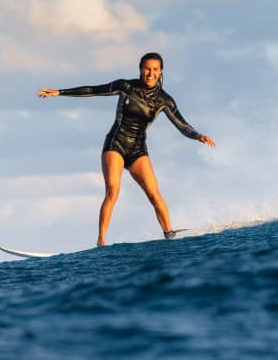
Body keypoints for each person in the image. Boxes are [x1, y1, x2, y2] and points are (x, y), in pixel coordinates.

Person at [37, 52, 216, 246]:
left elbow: (183, 126)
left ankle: (169, 235)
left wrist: (199, 136)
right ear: (140, 69)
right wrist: (60, 92)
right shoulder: (126, 87)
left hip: (138, 149)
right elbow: (93, 90)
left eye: (155, 69)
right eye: (147, 69)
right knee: (112, 192)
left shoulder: (164, 100)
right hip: (116, 144)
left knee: (155, 194)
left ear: (161, 72)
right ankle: (101, 242)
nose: (150, 73)